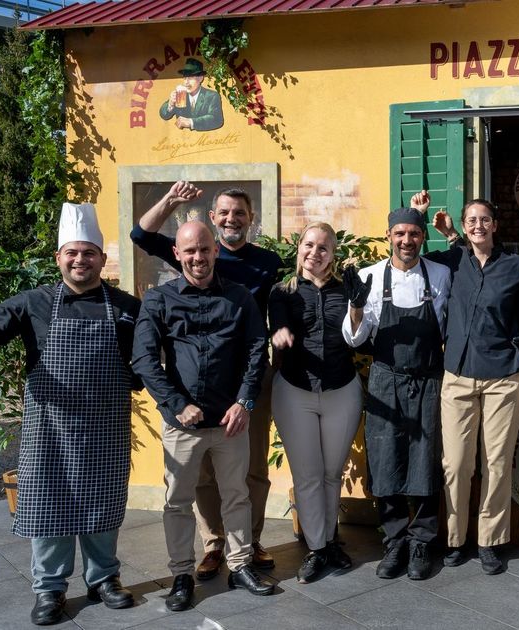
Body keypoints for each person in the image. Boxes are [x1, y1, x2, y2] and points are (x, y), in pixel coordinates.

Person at [0, 204, 140, 626]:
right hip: (49, 430)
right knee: (49, 504)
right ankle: (49, 590)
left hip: (105, 427)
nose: (80, 260)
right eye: (72, 252)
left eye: (89, 252)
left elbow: (147, 360)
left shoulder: (126, 307)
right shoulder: (35, 303)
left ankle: (104, 579)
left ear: (102, 259)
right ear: (59, 258)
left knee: (103, 503)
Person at [131, 181, 281, 577]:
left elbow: (268, 322)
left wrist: (247, 395)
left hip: (246, 382)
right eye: (225, 213)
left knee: (250, 471)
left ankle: (247, 541)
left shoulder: (266, 262)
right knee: (199, 476)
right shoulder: (187, 255)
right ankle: (214, 543)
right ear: (212, 222)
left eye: (240, 213)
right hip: (191, 391)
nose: (233, 219)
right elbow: (140, 234)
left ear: (250, 220)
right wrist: (170, 200)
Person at [342, 204, 451, 581]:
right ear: (389, 235)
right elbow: (355, 338)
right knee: (386, 459)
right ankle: (395, 541)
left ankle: (422, 541)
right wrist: (356, 305)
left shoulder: (440, 275)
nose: (407, 240)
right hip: (385, 380)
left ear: (423, 236)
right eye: (400, 233)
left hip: (429, 380)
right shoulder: (370, 277)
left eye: (415, 233)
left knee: (425, 459)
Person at [425, 195, 519, 575]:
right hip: (456, 375)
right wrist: (425, 220)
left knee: (497, 463)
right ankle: (455, 538)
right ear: (462, 225)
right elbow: (408, 257)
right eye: (471, 219)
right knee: (455, 463)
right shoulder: (452, 261)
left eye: (485, 219)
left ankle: (490, 540)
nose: (478, 225)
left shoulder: (517, 266)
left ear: (495, 225)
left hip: (503, 375)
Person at [268, 222, 365, 584]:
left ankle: (330, 541)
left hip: (342, 388)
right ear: (300, 248)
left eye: (323, 248)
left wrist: (357, 305)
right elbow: (277, 320)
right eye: (309, 245)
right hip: (295, 391)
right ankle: (317, 548)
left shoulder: (345, 290)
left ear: (333, 254)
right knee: (307, 475)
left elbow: (356, 338)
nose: (315, 253)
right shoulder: (283, 290)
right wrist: (280, 333)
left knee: (330, 473)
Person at [158, 58, 225, 132]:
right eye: (185, 78)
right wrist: (170, 104)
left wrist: (191, 122)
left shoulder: (212, 96)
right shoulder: (181, 94)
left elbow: (216, 119)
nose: (186, 82)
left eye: (190, 78)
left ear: (200, 78)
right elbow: (163, 115)